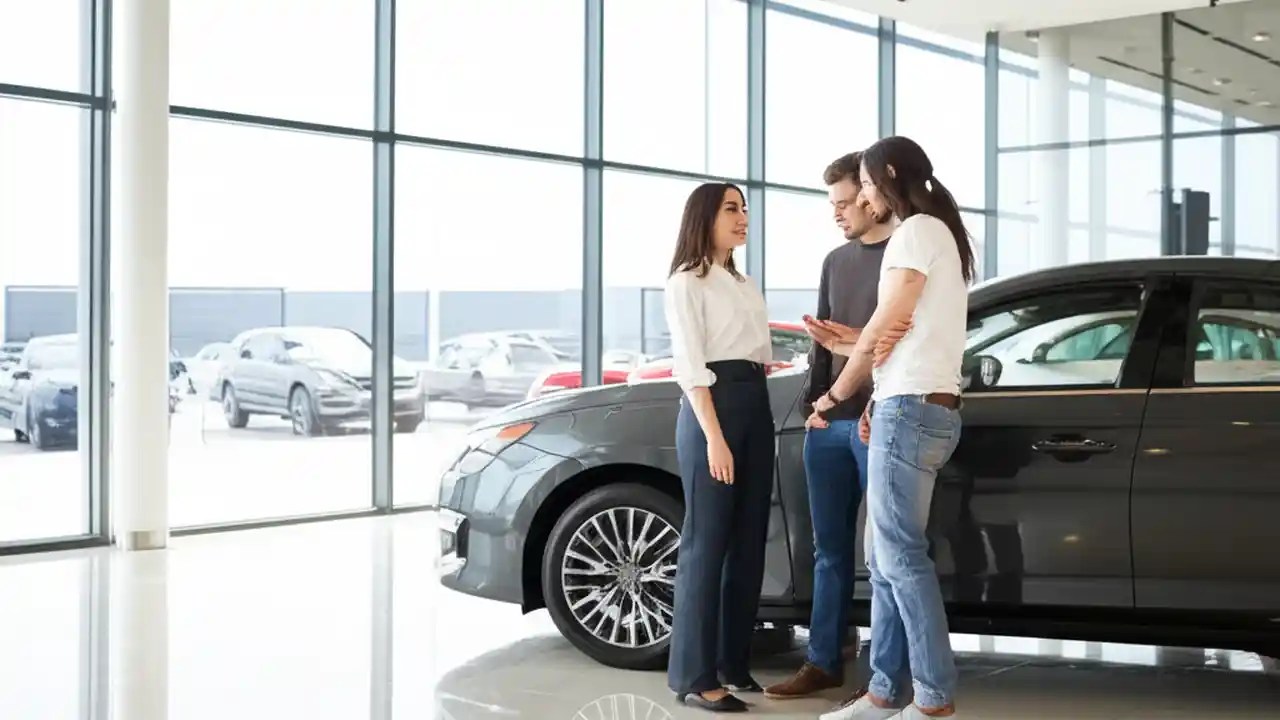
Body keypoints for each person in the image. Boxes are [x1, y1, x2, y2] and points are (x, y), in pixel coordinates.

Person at [813, 136, 975, 720]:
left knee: (900, 557)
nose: (861, 193)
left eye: (864, 181)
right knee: (884, 557)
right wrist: (850, 343)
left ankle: (931, 700)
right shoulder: (940, 234)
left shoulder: (914, 231)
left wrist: (837, 392)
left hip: (910, 411)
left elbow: (891, 320)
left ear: (885, 176)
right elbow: (908, 333)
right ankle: (884, 692)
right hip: (914, 405)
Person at [764, 152, 907, 700]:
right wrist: (813, 409)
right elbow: (823, 349)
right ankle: (823, 660)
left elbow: (897, 343)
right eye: (834, 205)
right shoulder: (835, 262)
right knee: (829, 550)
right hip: (829, 422)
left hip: (884, 420)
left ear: (873, 198)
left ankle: (885, 677)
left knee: (888, 554)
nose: (839, 213)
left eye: (847, 202)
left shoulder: (904, 259)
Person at [664, 182, 775, 714]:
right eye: (732, 208)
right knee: (705, 544)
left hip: (755, 401)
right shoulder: (688, 282)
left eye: (745, 208)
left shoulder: (744, 282)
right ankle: (694, 676)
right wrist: (715, 437)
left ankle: (733, 662)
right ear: (705, 216)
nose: (743, 216)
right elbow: (690, 368)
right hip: (714, 408)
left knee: (749, 540)